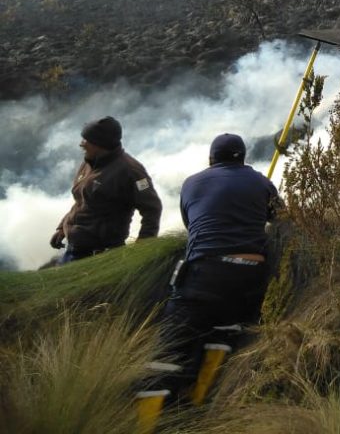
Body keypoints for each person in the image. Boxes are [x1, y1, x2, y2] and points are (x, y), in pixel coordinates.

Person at [160, 133, 279, 388]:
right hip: (251, 277)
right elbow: (283, 219)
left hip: (204, 273)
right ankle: (204, 404)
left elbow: (191, 227)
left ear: (211, 159)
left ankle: (151, 417)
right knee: (225, 336)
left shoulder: (192, 183)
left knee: (169, 350)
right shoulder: (262, 182)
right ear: (244, 158)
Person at [50, 116, 162, 264]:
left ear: (100, 144)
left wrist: (142, 248)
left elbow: (152, 209)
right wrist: (62, 228)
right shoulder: (89, 162)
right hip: (73, 251)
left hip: (101, 256)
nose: (81, 144)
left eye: (86, 140)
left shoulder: (131, 171)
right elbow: (81, 200)